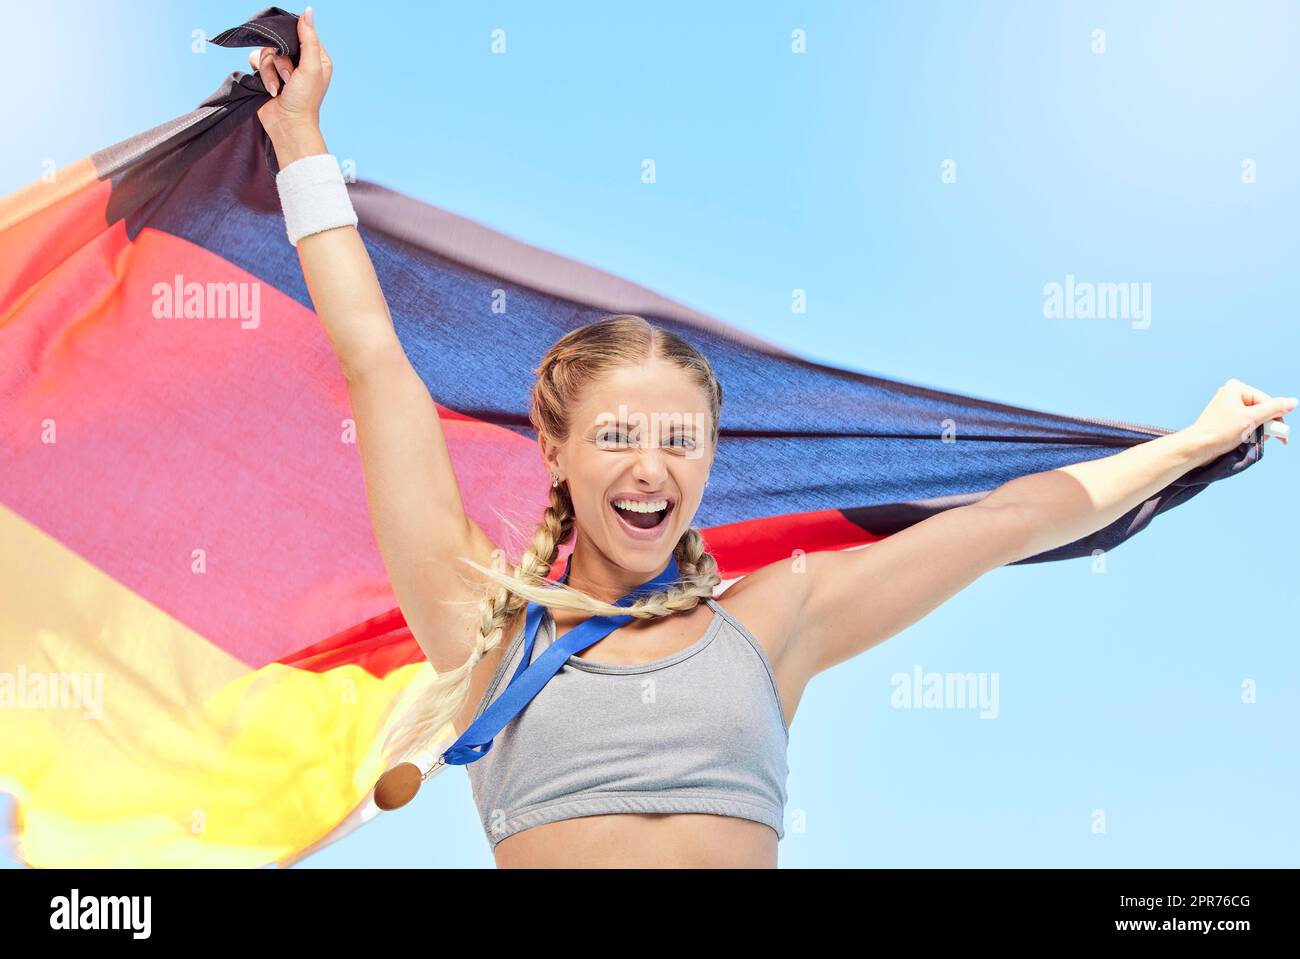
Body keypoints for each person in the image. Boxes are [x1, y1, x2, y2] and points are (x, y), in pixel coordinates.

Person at [251, 8, 1294, 868]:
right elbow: (378, 361)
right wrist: (301, 143)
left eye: (680, 439)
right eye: (617, 432)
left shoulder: (779, 618)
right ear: (556, 450)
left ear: (707, 462)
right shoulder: (483, 625)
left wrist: (1190, 443)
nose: (651, 463)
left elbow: (1010, 518)